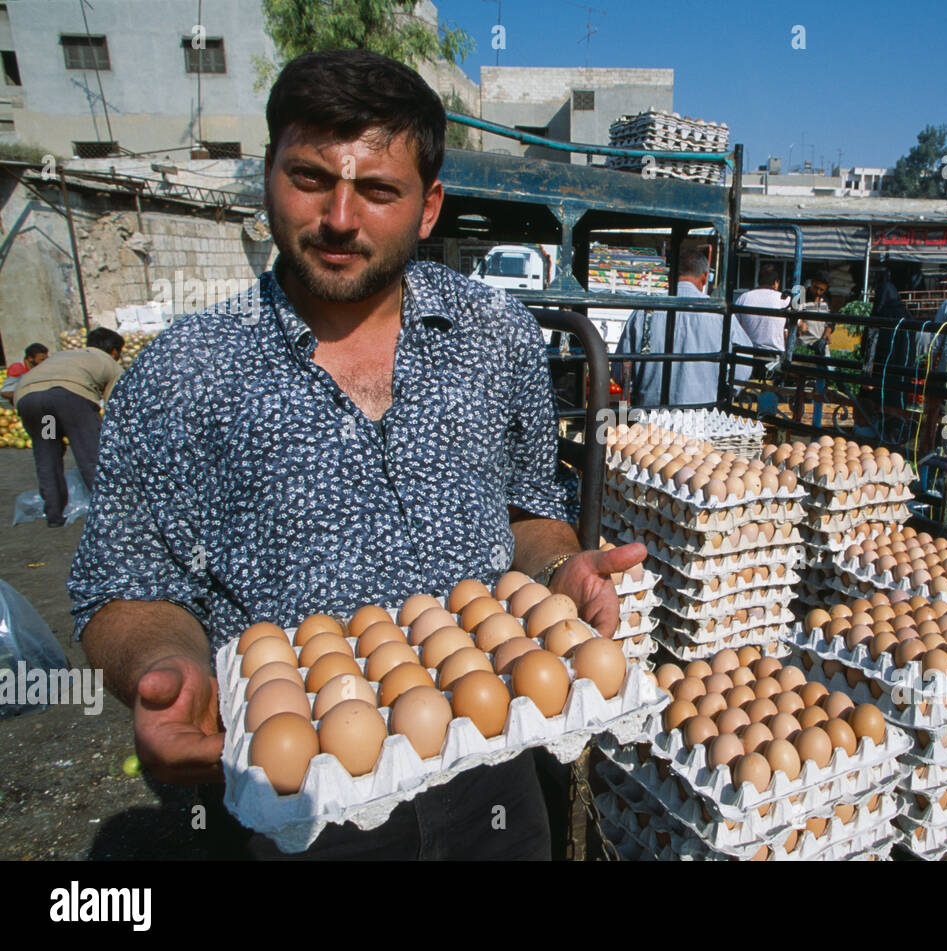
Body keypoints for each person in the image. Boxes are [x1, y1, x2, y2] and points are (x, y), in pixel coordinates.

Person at [68, 49, 645, 861]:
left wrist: (560, 573)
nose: (340, 217)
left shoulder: (496, 338)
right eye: (309, 178)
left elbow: (525, 516)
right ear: (267, 175)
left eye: (377, 190)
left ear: (429, 205)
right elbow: (124, 587)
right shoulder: (184, 374)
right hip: (308, 800)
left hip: (491, 764)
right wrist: (167, 664)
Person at [615, 249, 753, 406]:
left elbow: (620, 369)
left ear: (669, 276)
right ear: (705, 277)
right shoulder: (718, 313)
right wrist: (727, 390)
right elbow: (745, 361)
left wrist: (639, 391)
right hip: (703, 415)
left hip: (651, 418)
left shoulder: (644, 311)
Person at [14, 328, 123, 526]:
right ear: (114, 351)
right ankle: (111, 513)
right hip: (68, 398)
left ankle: (54, 515)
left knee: (48, 453)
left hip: (30, 399)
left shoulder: (63, 356)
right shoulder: (109, 362)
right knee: (90, 455)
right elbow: (115, 404)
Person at [734, 262, 790, 353]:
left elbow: (734, 327)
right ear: (776, 282)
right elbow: (801, 326)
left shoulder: (743, 298)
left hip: (747, 354)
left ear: (758, 281)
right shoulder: (784, 299)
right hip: (775, 356)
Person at [796, 270, 831, 349]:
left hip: (820, 344)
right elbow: (792, 316)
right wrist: (800, 323)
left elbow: (830, 322)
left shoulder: (826, 301)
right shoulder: (801, 298)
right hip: (804, 345)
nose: (818, 292)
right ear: (812, 283)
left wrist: (826, 335)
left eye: (822, 290)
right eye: (816, 288)